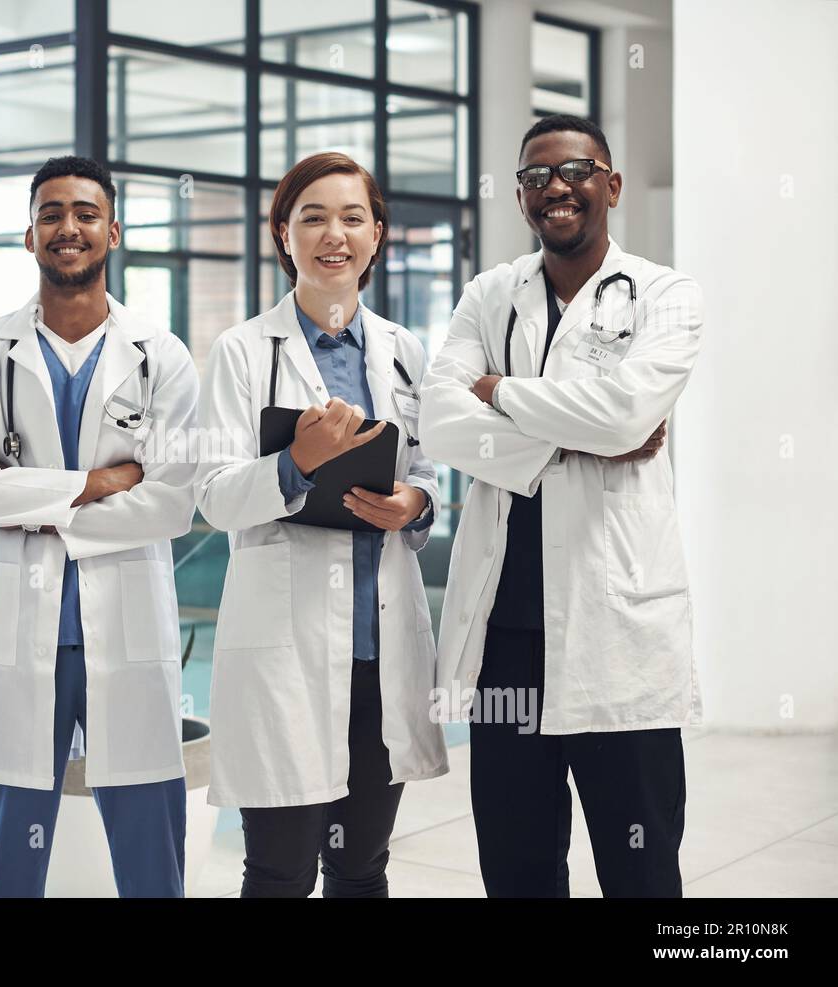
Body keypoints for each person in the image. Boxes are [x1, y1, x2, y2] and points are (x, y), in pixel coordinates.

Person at [418, 114, 704, 897]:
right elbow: (439, 420)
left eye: (575, 170)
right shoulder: (489, 294)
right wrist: (582, 434)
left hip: (617, 632)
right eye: (537, 177)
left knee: (641, 867)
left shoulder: (666, 294)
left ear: (610, 184)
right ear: (520, 198)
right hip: (508, 637)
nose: (557, 189)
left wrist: (502, 394)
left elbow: (625, 415)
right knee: (516, 869)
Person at [0, 155, 199, 898]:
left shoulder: (161, 356)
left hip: (126, 632)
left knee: (153, 864)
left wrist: (36, 508)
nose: (68, 227)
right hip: (20, 634)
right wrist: (93, 484)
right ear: (29, 235)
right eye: (51, 214)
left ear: (112, 231)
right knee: (11, 867)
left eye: (85, 213)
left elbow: (173, 501)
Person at [194, 152, 447, 898]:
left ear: (378, 236)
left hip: (380, 648)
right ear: (282, 234)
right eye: (311, 217)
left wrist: (416, 505)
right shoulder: (244, 352)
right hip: (286, 650)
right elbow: (213, 494)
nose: (332, 234)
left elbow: (427, 468)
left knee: (363, 866)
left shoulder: (406, 352)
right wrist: (298, 460)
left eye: (351, 217)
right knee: (279, 870)